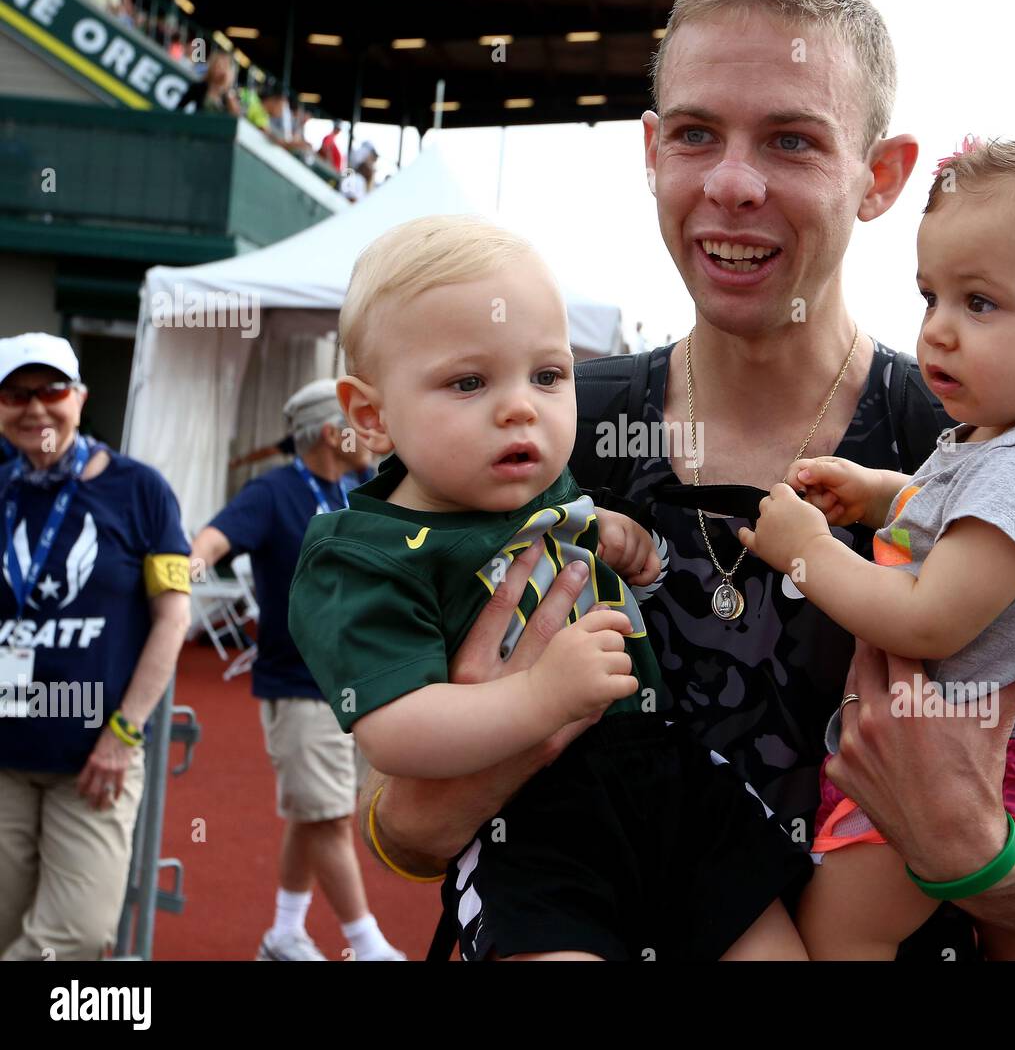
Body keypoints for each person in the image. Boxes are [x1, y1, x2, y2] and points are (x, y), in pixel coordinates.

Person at [362, 0, 1015, 959]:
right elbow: (395, 828)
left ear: (880, 178)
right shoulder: (533, 433)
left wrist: (978, 850)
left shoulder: (992, 452)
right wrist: (480, 756)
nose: (733, 185)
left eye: (789, 140)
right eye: (696, 134)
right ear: (651, 151)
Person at [287, 217, 810, 961]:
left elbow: (588, 543)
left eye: (548, 375)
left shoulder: (545, 485)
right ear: (371, 417)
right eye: (469, 382)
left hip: (674, 780)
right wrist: (538, 702)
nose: (520, 407)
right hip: (535, 825)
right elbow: (388, 728)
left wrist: (637, 548)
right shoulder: (362, 557)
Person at [738, 132, 1015, 959]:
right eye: (930, 295)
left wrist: (808, 550)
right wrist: (886, 494)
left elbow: (928, 618)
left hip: (978, 764)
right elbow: (1011, 547)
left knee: (843, 935)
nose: (936, 331)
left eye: (979, 304)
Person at [188, 380, 403, 961]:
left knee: (317, 814)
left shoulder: (363, 486)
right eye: (360, 421)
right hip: (299, 687)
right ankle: (369, 946)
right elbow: (213, 538)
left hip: (357, 687)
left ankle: (284, 934)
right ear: (334, 433)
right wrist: (186, 568)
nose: (374, 431)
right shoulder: (273, 493)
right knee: (330, 818)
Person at [0, 334, 192, 960]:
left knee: (78, 936)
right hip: (5, 756)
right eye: (15, 394)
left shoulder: (141, 490)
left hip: (95, 757)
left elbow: (172, 618)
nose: (35, 409)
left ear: (79, 397)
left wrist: (125, 732)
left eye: (52, 390)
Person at [180, 51, 242, 117]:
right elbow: (180, 107)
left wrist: (227, 89)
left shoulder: (230, 94)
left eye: (223, 67)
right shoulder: (199, 87)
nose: (218, 70)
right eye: (217, 66)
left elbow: (236, 116)